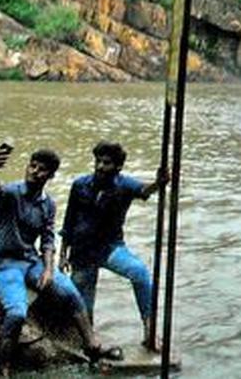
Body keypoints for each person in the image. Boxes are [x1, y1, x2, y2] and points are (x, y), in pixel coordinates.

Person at [0, 143, 119, 376]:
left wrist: (48, 269)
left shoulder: (48, 204)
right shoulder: (13, 193)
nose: (34, 171)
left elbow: (47, 239)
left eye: (41, 169)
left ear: (51, 175)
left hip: (30, 260)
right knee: (16, 312)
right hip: (3, 264)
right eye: (32, 166)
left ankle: (92, 346)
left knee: (71, 293)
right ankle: (3, 369)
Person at [58, 141, 166, 336]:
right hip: (82, 253)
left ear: (118, 167)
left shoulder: (124, 185)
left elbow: (144, 190)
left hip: (110, 248)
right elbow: (69, 222)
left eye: (106, 163)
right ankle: (87, 341)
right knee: (84, 309)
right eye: (98, 161)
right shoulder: (80, 185)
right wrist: (62, 255)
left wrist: (158, 184)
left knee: (139, 273)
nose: (100, 167)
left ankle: (149, 328)